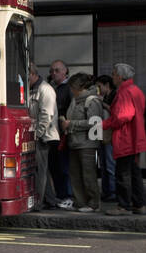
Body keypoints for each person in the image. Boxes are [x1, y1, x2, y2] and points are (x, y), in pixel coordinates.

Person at [101, 62, 146, 214]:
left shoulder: (124, 92)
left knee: (123, 173)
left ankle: (123, 206)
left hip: (125, 139)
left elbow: (122, 116)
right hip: (135, 137)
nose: (112, 77)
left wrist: (104, 124)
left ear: (120, 76)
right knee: (134, 173)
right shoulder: (136, 90)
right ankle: (139, 204)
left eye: (114, 74)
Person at [61, 73, 104, 212]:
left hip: (88, 144)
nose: (71, 90)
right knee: (75, 174)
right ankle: (80, 202)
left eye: (72, 87)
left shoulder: (92, 101)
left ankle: (93, 203)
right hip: (74, 142)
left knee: (88, 174)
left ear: (79, 87)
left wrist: (71, 124)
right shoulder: (75, 100)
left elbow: (95, 123)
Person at [28, 63, 59, 209]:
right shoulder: (34, 88)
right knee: (43, 169)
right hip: (39, 134)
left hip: (44, 136)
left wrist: (37, 134)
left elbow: (47, 115)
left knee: (40, 170)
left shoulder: (45, 89)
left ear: (33, 74)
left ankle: (38, 202)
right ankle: (50, 200)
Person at [48, 59, 73, 207]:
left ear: (65, 71)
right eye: (51, 71)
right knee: (55, 166)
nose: (53, 73)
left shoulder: (68, 88)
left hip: (63, 133)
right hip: (53, 133)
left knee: (65, 167)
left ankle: (68, 195)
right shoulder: (52, 87)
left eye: (57, 70)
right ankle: (60, 194)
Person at [96, 74, 118, 201]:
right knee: (103, 164)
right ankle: (106, 191)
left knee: (110, 164)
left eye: (100, 86)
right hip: (102, 132)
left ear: (106, 85)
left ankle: (113, 191)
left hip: (110, 133)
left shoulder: (114, 95)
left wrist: (102, 103)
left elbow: (115, 112)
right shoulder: (105, 96)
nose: (98, 89)